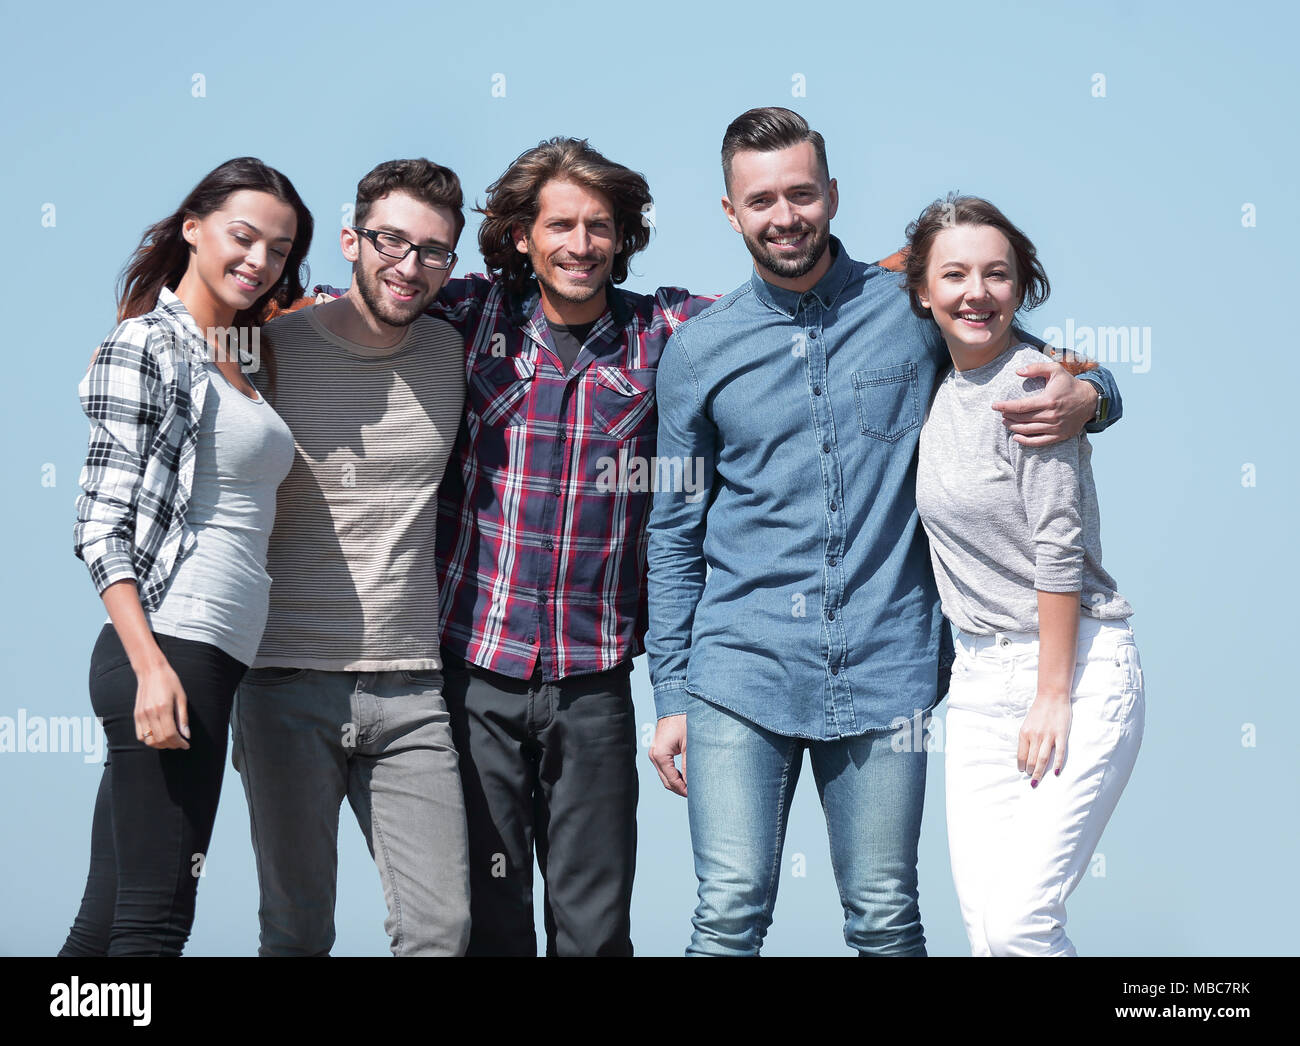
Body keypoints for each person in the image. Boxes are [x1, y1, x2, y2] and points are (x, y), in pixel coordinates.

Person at [646, 107, 1124, 956]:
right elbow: (675, 534)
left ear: (832, 194)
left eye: (801, 193)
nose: (784, 216)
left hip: (886, 666)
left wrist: (1099, 395)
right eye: (761, 200)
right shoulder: (696, 353)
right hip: (736, 672)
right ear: (729, 211)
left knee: (885, 918)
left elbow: (1037, 369)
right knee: (726, 916)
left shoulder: (909, 308)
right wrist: (673, 695)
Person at [61, 157, 310, 956]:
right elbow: (100, 525)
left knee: (105, 922)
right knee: (158, 919)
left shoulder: (241, 355)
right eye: (243, 238)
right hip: (171, 646)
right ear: (192, 229)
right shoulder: (148, 345)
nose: (259, 261)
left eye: (278, 249)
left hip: (207, 652)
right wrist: (152, 667)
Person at [230, 159, 472, 957]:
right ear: (350, 241)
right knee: (298, 932)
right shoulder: (267, 346)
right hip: (284, 681)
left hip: (413, 691)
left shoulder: (451, 354)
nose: (409, 266)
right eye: (391, 241)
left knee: (441, 930)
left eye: (433, 250)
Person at [907, 194, 1144, 956]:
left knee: (1019, 927)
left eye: (998, 274)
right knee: (985, 934)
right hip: (977, 684)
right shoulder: (939, 384)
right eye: (955, 275)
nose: (977, 292)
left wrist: (1051, 696)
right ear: (920, 290)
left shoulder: (1040, 387)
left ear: (1021, 286)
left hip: (1073, 669)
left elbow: (1058, 546)